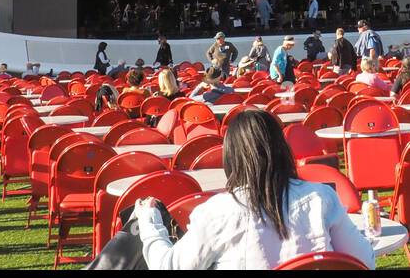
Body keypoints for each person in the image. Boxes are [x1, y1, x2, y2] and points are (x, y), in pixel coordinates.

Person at [135, 109, 375, 269]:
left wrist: (149, 223)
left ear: (232, 157)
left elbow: (168, 266)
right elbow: (365, 261)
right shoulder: (321, 198)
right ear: (282, 149)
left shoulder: (217, 213)